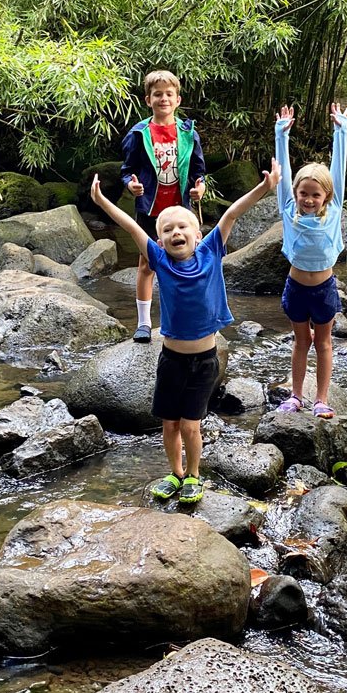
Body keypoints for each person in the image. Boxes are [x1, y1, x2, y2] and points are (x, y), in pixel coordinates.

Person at [90, 158, 281, 504]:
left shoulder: (210, 251)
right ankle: (175, 473)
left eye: (182, 228)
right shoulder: (160, 259)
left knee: (191, 425)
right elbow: (133, 228)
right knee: (169, 424)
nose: (176, 233)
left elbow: (232, 215)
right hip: (171, 359)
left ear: (196, 234)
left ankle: (194, 475)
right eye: (167, 230)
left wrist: (263, 188)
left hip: (204, 361)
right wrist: (102, 201)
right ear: (160, 242)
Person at [273, 102, 347, 418]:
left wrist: (340, 131)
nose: (308, 199)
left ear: (327, 197)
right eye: (303, 193)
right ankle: (296, 396)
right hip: (296, 287)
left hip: (324, 289)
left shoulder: (333, 211)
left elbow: (338, 168)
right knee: (301, 342)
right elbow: (285, 172)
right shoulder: (289, 209)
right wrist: (282, 135)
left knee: (324, 344)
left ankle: (321, 399)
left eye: (315, 195)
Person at [119, 70, 206, 343]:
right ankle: (144, 323)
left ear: (178, 99)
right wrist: (130, 185)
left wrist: (199, 186)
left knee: (188, 263)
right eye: (158, 94)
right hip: (151, 209)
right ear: (148, 99)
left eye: (169, 94)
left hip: (180, 210)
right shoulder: (139, 133)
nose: (164, 99)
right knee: (147, 263)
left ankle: (184, 317)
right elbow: (127, 170)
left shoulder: (187, 132)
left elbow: (198, 170)